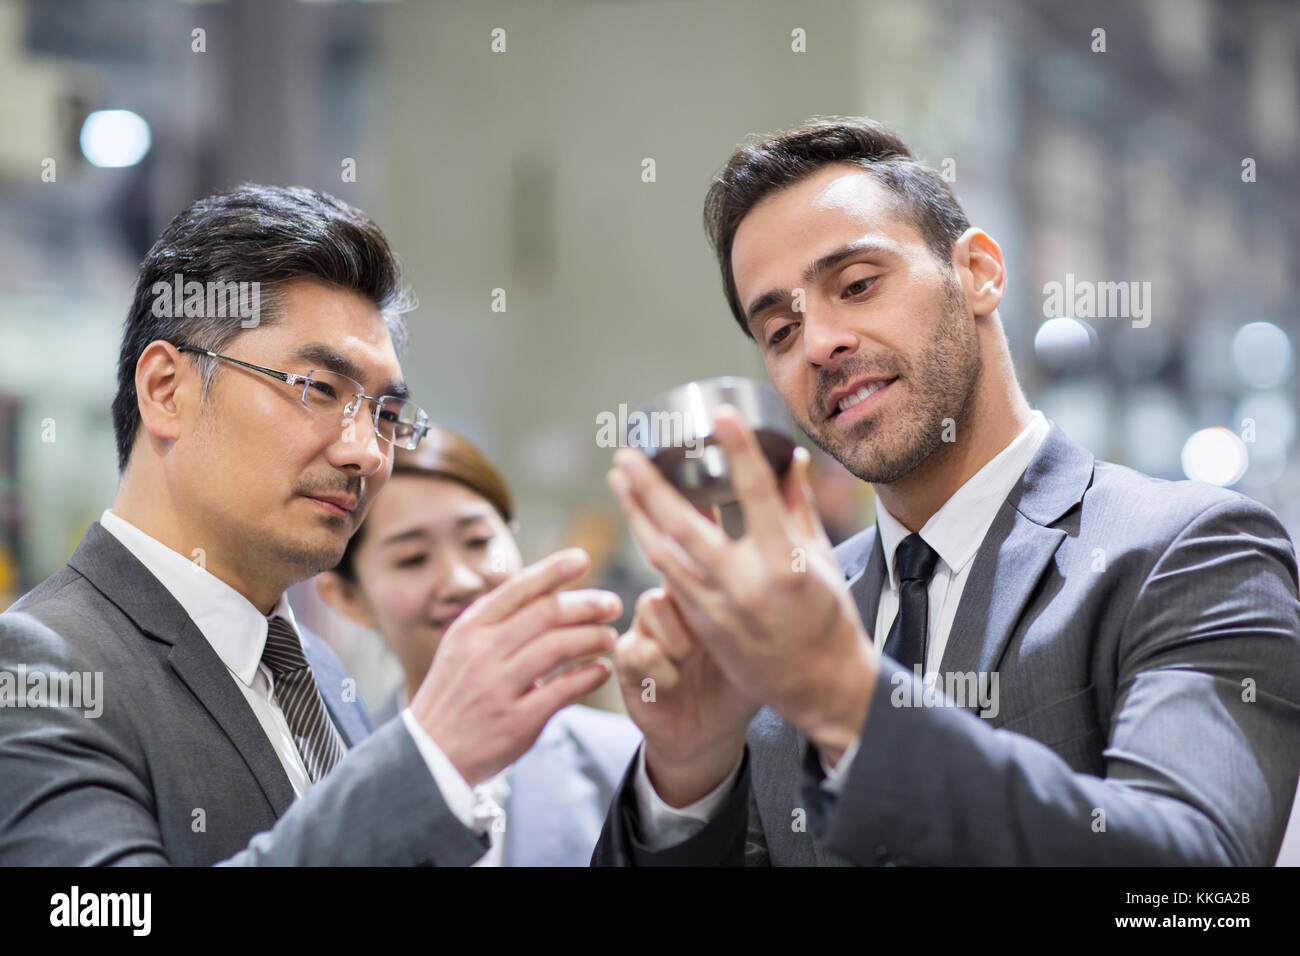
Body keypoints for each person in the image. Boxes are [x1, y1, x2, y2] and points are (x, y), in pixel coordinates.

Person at [594, 117, 1300, 866]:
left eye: (858, 285)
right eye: (779, 331)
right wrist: (687, 780)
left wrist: (848, 703)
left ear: (980, 273)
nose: (820, 343)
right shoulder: (792, 620)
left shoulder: (1186, 553)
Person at [0, 184, 622, 865]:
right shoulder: (41, 667)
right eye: (319, 390)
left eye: (385, 415)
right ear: (166, 391)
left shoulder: (315, 672)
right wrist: (424, 764)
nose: (367, 452)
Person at [316, 426, 641, 865]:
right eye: (412, 558)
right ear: (348, 599)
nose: (462, 580)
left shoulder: (628, 758)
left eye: (479, 541)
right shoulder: (333, 788)